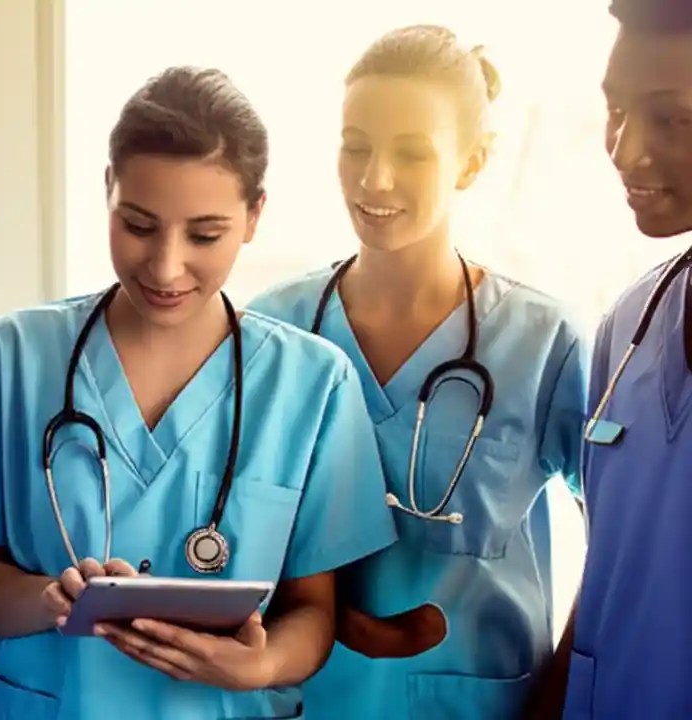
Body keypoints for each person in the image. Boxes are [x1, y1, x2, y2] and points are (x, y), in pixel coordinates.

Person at [0, 65, 397, 719]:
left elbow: (313, 610)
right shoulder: (13, 357)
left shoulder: (314, 385)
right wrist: (47, 600)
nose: (166, 265)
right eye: (139, 226)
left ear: (254, 215)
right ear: (107, 193)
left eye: (205, 235)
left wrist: (259, 664)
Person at [248, 25, 588, 720]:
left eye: (412, 153)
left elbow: (623, 550)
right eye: (356, 146)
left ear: (471, 162)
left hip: (482, 703)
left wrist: (561, 699)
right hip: (304, 701)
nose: (375, 178)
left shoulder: (542, 341)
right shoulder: (271, 330)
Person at [526, 1, 692, 716]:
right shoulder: (628, 328)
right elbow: (610, 583)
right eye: (615, 110)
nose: (626, 151)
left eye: (673, 120)